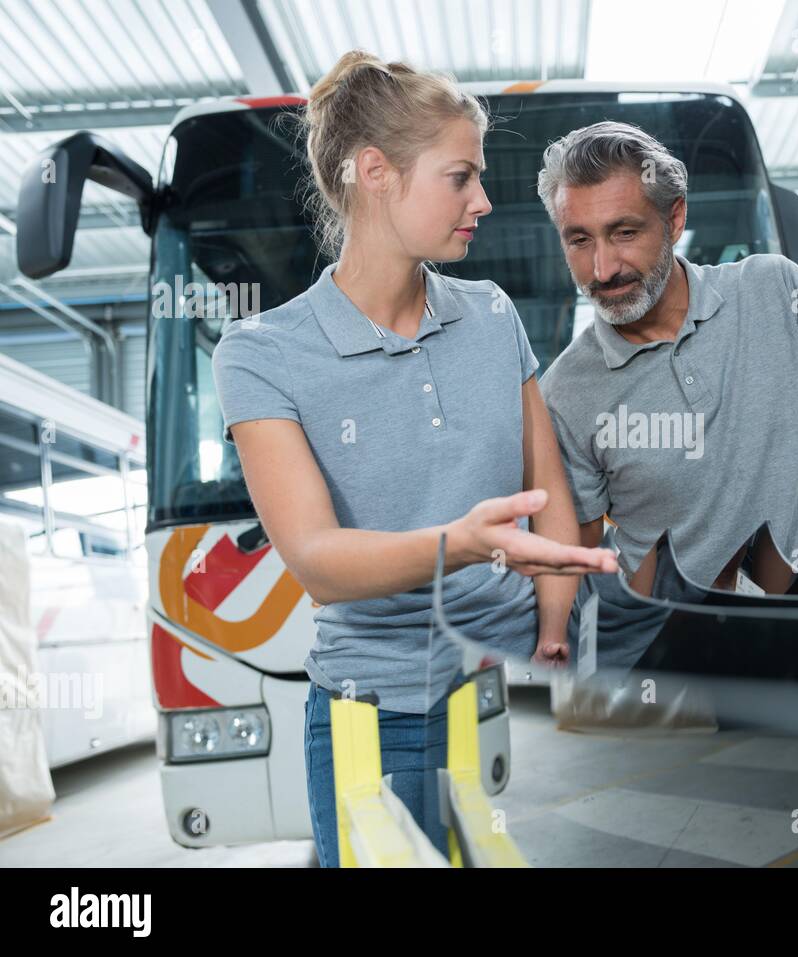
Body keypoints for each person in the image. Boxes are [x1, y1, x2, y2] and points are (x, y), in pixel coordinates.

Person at [211, 50, 616, 867]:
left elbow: (547, 485)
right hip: (366, 716)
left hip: (471, 694)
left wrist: (552, 621)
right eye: (460, 177)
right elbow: (319, 562)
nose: (484, 201)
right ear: (376, 173)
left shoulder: (491, 315)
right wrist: (463, 543)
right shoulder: (262, 354)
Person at [536, 121, 798, 595]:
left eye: (624, 232)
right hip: (672, 657)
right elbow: (579, 569)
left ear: (674, 219)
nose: (602, 268)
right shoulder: (562, 393)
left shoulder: (775, 290)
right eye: (579, 240)